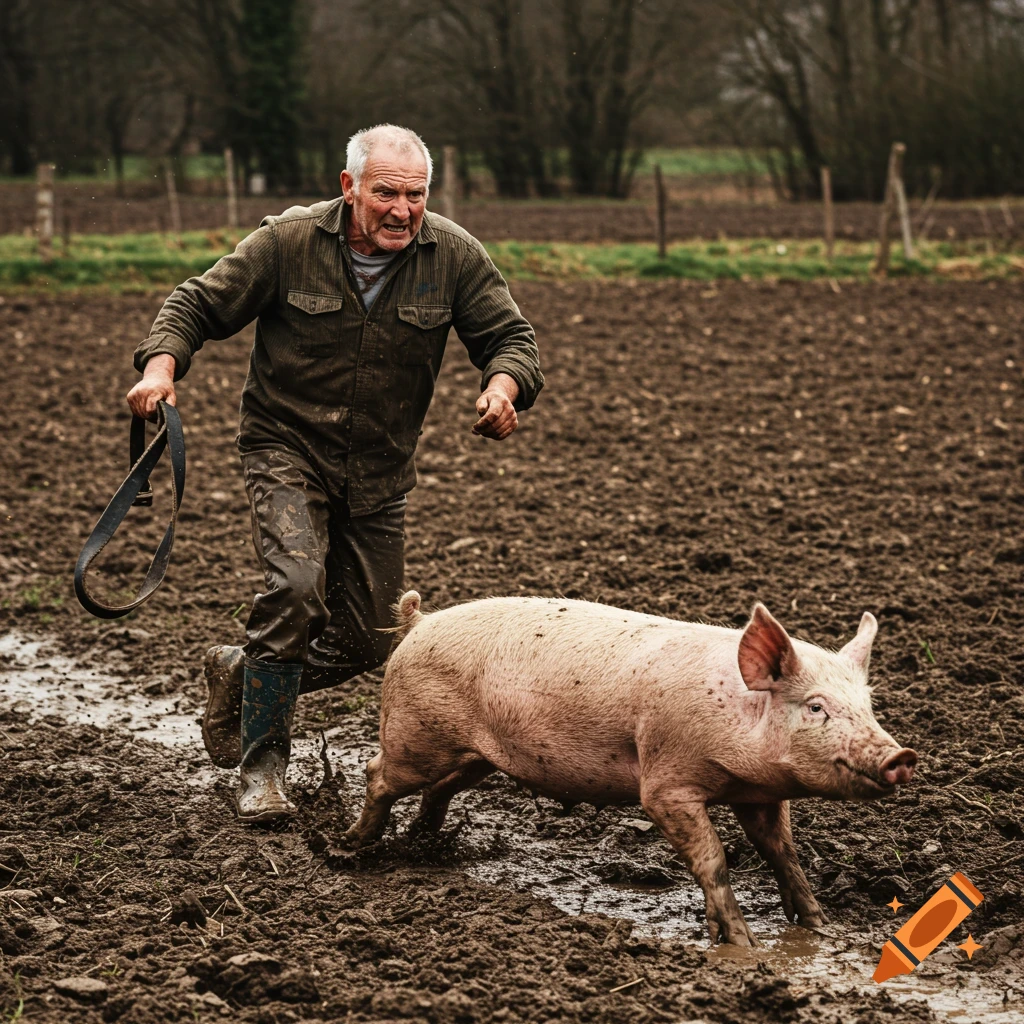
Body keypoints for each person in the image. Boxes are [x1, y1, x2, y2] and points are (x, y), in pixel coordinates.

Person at [127, 124, 543, 823]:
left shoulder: (454, 256)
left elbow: (510, 338)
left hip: (379, 471)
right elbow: (196, 304)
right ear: (349, 187)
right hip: (286, 449)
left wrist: (503, 388)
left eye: (416, 195)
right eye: (386, 193)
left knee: (374, 637)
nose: (403, 210)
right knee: (295, 588)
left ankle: (242, 669)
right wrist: (160, 369)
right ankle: (263, 768)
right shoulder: (286, 243)